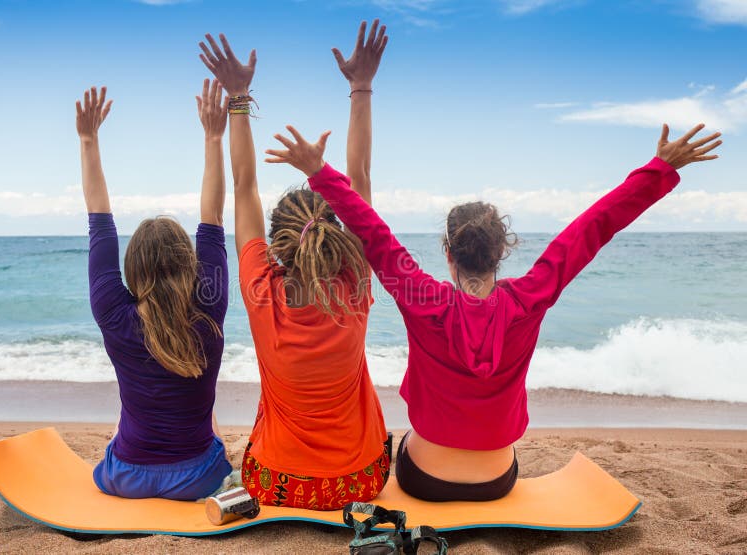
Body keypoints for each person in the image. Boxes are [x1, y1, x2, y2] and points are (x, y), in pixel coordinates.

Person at [265, 122, 722, 502]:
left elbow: (372, 232)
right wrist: (659, 170)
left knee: (400, 442)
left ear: (448, 253)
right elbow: (592, 228)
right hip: (497, 483)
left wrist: (318, 172)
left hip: (425, 479)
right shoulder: (532, 296)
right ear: (501, 252)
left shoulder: (421, 297)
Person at [197, 21, 390, 510]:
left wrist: (238, 97)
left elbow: (244, 188)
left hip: (276, 482)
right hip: (358, 482)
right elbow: (361, 177)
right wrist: (361, 85)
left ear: (279, 244)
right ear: (336, 234)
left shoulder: (261, 289)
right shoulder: (355, 279)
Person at [77, 81, 233, 500]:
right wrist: (213, 137)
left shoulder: (112, 311)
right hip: (199, 478)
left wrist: (89, 140)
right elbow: (213, 218)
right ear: (189, 263)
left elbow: (99, 223)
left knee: (124, 418)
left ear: (133, 268)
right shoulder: (209, 306)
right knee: (209, 421)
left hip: (126, 478)